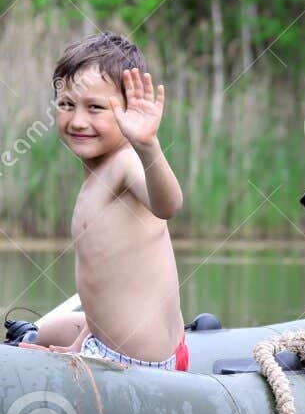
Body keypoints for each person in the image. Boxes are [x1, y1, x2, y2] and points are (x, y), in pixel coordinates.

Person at [29, 31, 188, 370]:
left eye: (95, 108)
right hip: (104, 342)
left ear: (130, 111)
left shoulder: (127, 162)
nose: (78, 120)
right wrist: (76, 344)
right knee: (41, 331)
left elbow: (168, 205)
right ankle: (33, 343)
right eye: (66, 105)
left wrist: (148, 145)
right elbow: (102, 290)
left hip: (139, 362)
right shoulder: (97, 173)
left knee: (33, 345)